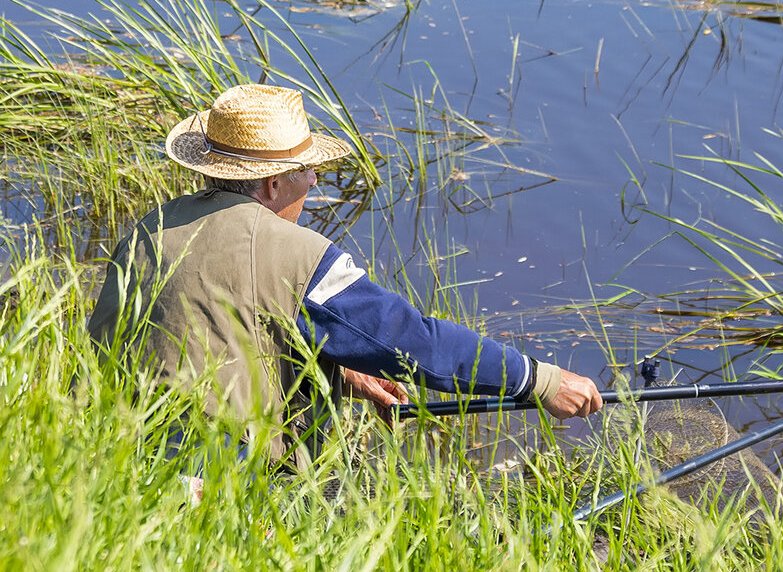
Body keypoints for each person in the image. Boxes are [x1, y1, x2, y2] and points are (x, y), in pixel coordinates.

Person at [89, 83, 603, 469]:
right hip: (215, 478)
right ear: (272, 185)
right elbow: (416, 342)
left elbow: (208, 334)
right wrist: (539, 381)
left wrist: (339, 367)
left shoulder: (150, 228)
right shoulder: (297, 254)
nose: (314, 180)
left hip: (113, 451)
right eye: (306, 170)